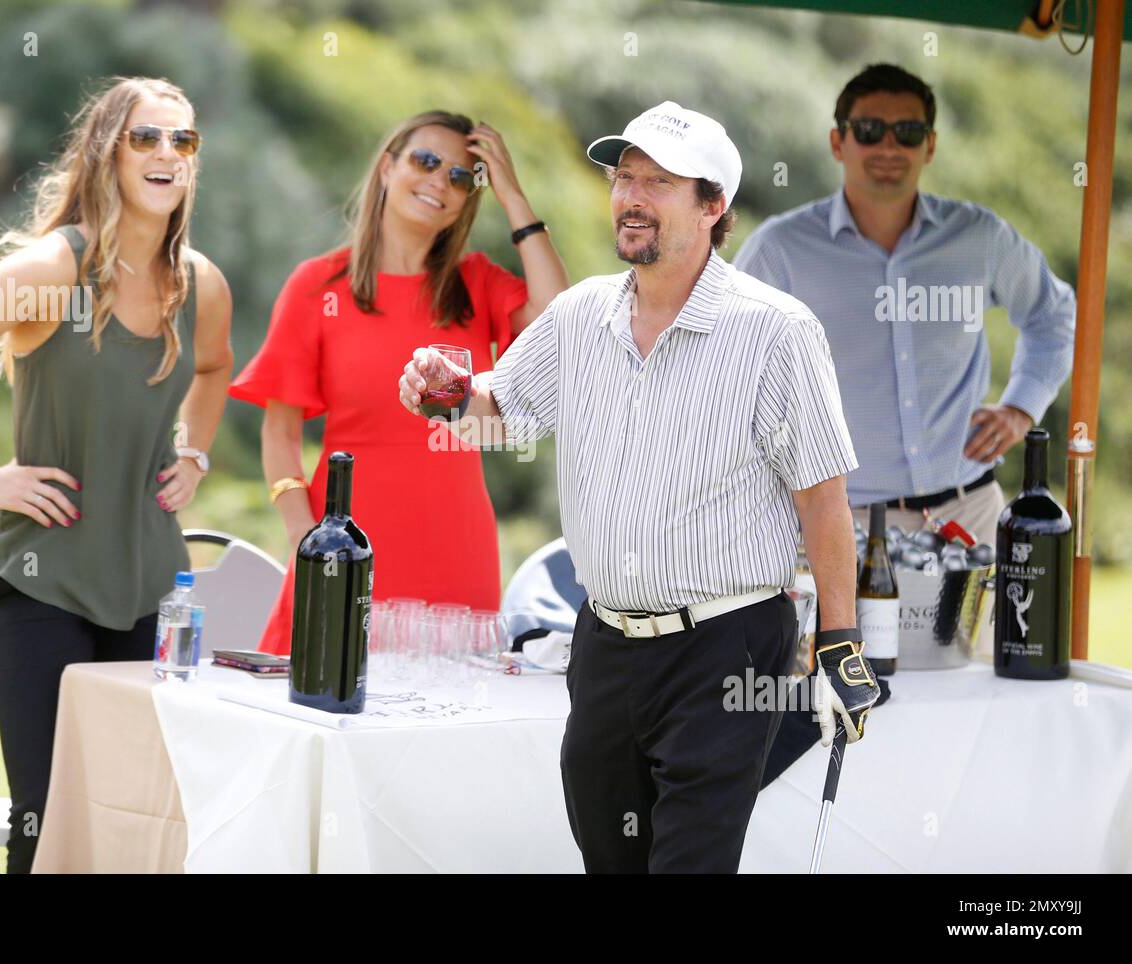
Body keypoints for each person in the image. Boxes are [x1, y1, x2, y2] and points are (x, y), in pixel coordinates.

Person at [398, 101, 879, 874]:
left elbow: (822, 498)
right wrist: (452, 392)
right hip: (605, 646)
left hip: (729, 648)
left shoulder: (777, 332)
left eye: (659, 182)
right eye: (625, 177)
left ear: (712, 206)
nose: (631, 196)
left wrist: (840, 644)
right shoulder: (579, 314)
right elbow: (505, 413)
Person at [0, 77, 234, 872]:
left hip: (150, 586)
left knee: (138, 820)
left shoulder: (200, 284)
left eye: (181, 141)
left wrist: (196, 452)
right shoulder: (55, 267)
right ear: (106, 153)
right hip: (44, 583)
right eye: (144, 137)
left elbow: (215, 369)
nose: (165, 155)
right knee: (47, 818)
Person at [230, 110, 568, 654]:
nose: (439, 180)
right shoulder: (319, 285)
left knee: (448, 715)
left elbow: (558, 316)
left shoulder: (477, 283)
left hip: (457, 542)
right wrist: (301, 536)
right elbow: (280, 433)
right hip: (342, 545)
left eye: (460, 176)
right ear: (388, 168)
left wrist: (513, 196)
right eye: (426, 161)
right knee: (326, 707)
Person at [735, 64, 1076, 542]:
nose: (889, 147)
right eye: (870, 130)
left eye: (909, 132)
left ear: (930, 145)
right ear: (839, 142)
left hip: (969, 516)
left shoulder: (978, 237)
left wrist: (1022, 406)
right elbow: (725, 358)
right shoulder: (780, 249)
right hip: (839, 526)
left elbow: (1053, 314)